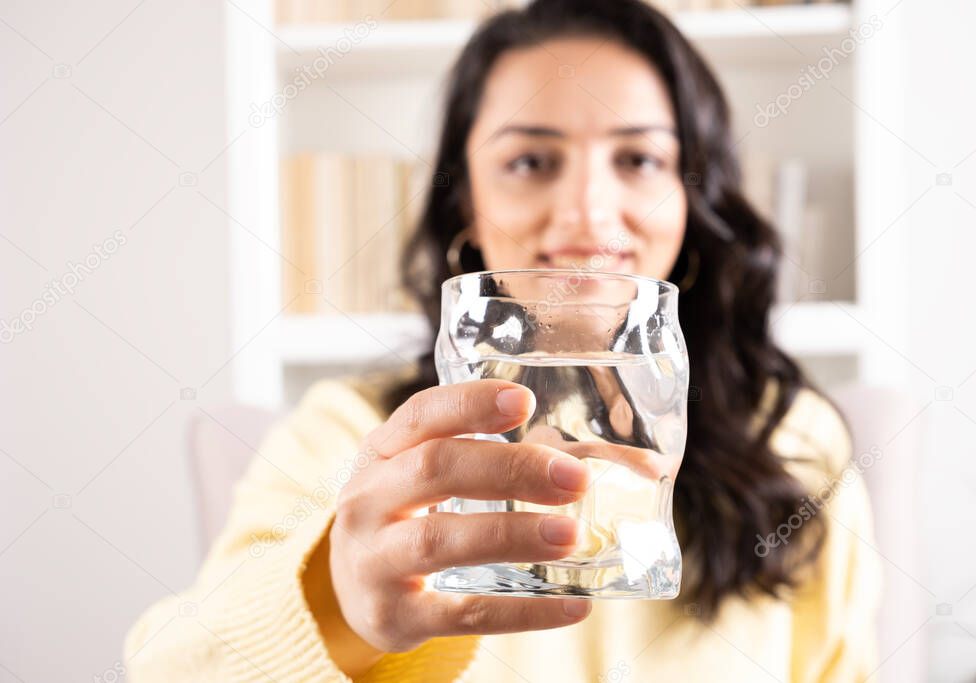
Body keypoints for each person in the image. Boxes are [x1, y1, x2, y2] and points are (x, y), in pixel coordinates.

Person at [125, 0, 880, 680]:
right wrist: (338, 605)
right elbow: (168, 667)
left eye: (640, 159)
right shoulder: (347, 434)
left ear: (693, 196)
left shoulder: (795, 442)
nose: (587, 212)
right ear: (468, 202)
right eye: (530, 161)